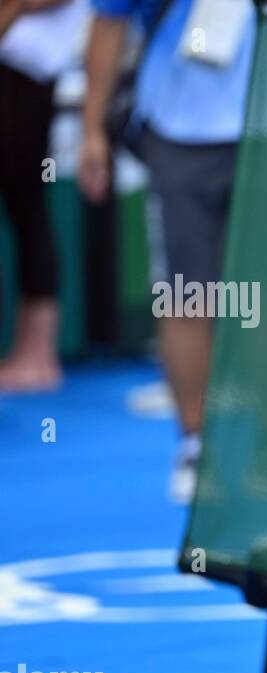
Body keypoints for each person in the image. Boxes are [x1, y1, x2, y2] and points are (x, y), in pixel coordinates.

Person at [78, 0, 256, 501]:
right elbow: (108, 18)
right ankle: (196, 443)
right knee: (187, 293)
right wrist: (91, 130)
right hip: (182, 128)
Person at [0, 0, 86, 392]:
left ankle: (38, 355)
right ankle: (29, 351)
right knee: (25, 209)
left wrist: (13, 9)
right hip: (19, 69)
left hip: (28, 72)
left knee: (28, 207)